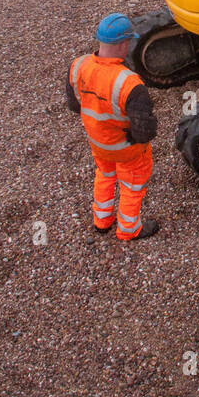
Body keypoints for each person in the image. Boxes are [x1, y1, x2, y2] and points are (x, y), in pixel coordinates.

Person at [66, 13, 159, 240]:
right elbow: (144, 130)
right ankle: (128, 230)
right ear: (123, 44)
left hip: (98, 144)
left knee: (105, 176)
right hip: (127, 150)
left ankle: (102, 220)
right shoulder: (129, 83)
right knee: (132, 186)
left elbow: (74, 105)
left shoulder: (78, 66)